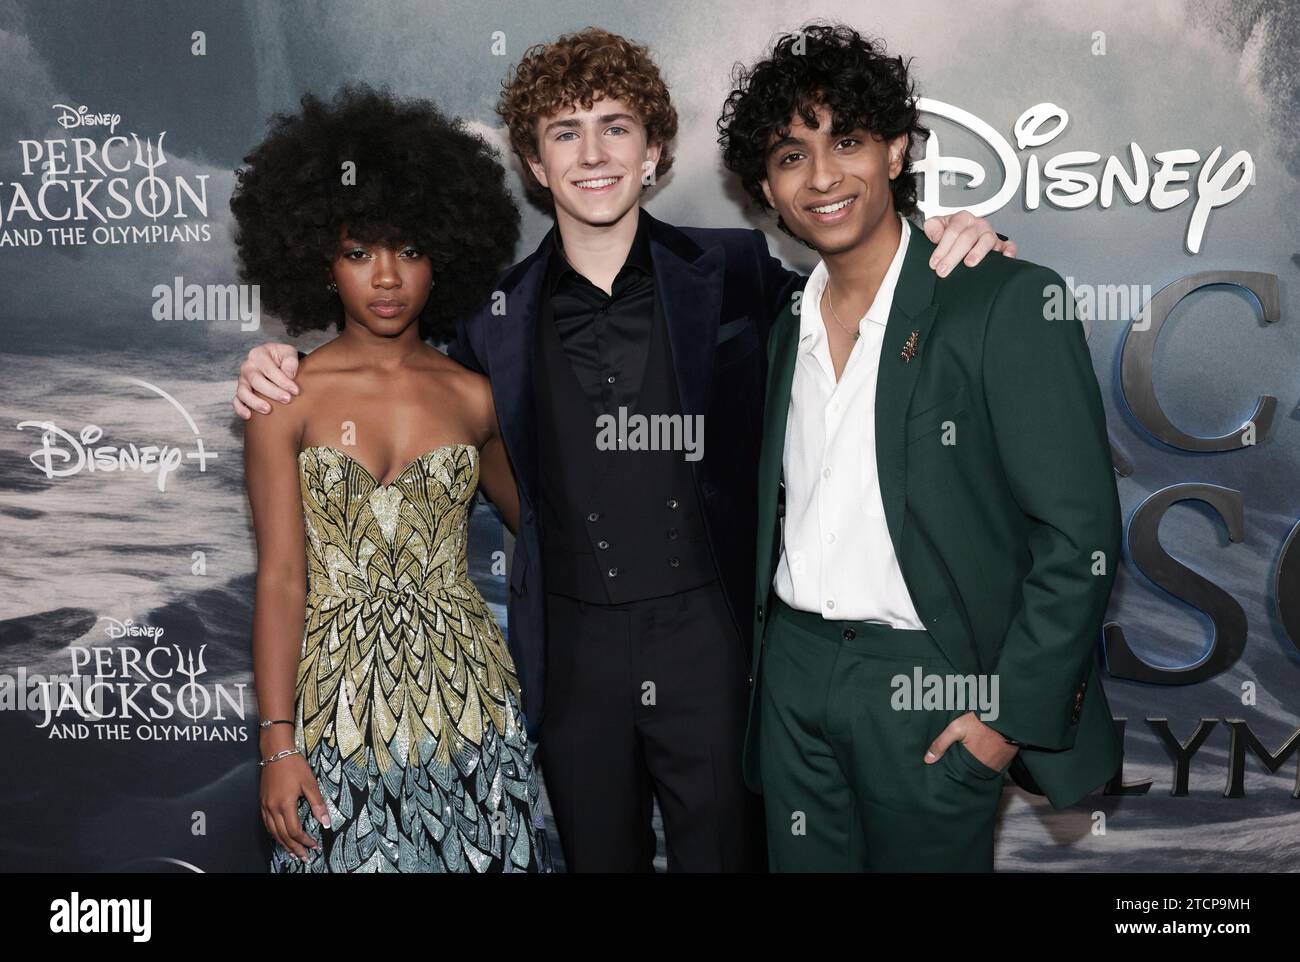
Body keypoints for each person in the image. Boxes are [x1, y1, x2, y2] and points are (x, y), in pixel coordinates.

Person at [232, 28, 1013, 872]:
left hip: (713, 649)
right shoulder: (490, 320)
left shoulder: (736, 269)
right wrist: (278, 361)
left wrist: (953, 247)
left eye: (615, 126)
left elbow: (866, 300)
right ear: (535, 164)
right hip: (572, 662)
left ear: (655, 150)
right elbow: (395, 381)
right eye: (565, 133)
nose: (594, 153)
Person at [716, 23, 1123, 871]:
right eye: (791, 155)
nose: (822, 176)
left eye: (848, 142)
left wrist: (1005, 718)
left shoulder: (1003, 299)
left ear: (896, 151)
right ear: (766, 187)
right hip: (794, 675)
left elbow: (1078, 534)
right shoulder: (783, 325)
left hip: (928, 685)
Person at [237, 84, 550, 872]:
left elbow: (550, 533)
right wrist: (278, 744)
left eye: (409, 250)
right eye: (359, 253)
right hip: (334, 711)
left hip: (470, 705)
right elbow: (281, 579)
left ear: (444, 256)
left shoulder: (475, 397)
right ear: (320, 260)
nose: (386, 277)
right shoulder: (285, 397)